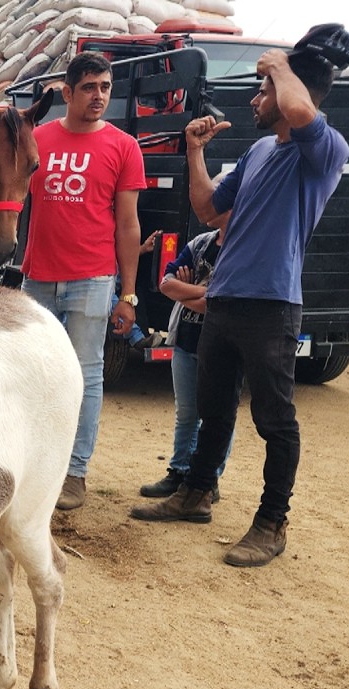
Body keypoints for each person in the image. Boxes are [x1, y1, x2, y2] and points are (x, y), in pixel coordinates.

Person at [129, 24, 349, 567]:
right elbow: (208, 209)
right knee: (214, 408)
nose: (256, 99)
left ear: (288, 89)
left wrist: (280, 65)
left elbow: (302, 113)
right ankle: (197, 493)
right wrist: (194, 152)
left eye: (263, 90)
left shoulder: (324, 148)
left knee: (275, 419)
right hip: (224, 298)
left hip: (272, 304)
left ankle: (272, 524)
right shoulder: (257, 151)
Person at [22, 51, 147, 511]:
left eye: (106, 88)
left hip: (93, 279)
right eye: (90, 87)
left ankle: (74, 473)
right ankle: (33, 465)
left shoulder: (123, 146)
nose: (99, 96)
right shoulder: (37, 139)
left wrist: (128, 294)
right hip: (37, 278)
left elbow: (128, 225)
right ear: (68, 93)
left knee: (86, 374)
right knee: (33, 373)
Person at [139, 194, 233, 500]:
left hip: (221, 345)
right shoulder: (201, 243)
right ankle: (179, 472)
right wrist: (200, 293)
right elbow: (166, 283)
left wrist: (186, 293)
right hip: (186, 341)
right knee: (187, 413)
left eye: (216, 199)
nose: (207, 203)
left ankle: (208, 479)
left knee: (217, 415)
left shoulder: (241, 248)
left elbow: (222, 303)